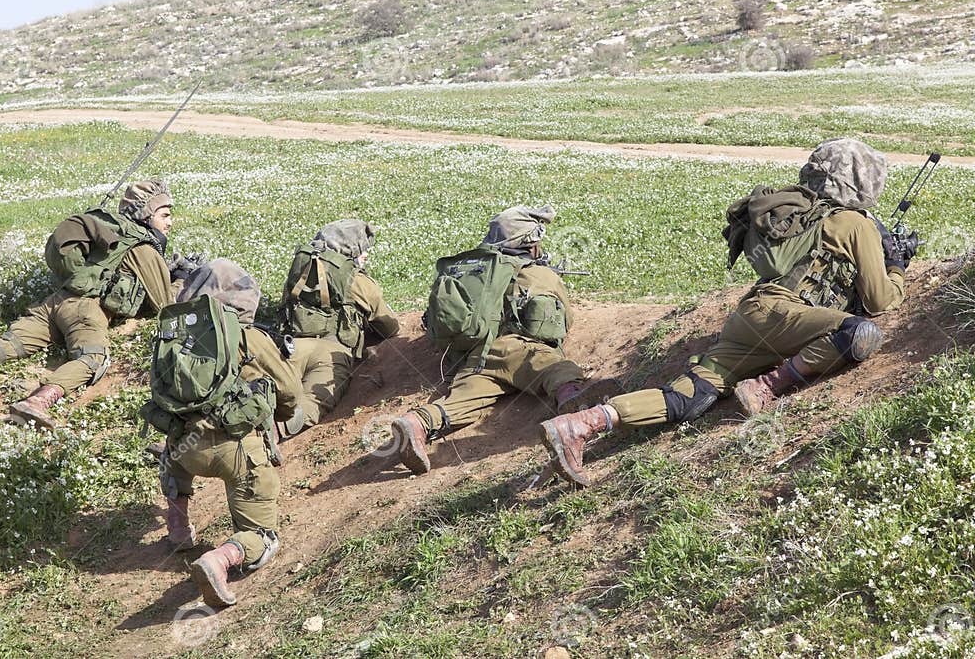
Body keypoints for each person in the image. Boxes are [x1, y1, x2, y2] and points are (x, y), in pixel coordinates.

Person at [539, 138, 914, 486]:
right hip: (786, 318)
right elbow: (879, 301)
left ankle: (580, 425)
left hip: (752, 317)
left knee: (689, 396)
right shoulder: (855, 222)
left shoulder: (799, 217)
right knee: (858, 334)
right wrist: (897, 265)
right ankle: (766, 386)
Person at [389, 205, 621, 475]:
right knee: (559, 369)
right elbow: (557, 326)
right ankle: (574, 400)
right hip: (519, 351)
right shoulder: (538, 274)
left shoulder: (475, 272)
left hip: (476, 356)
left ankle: (417, 422)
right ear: (529, 243)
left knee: (462, 402)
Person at [146, 259, 302, 608]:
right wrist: (281, 417)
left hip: (183, 449)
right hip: (237, 452)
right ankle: (221, 559)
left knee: (172, 453)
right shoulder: (249, 337)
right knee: (262, 535)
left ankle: (178, 524)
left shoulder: (174, 335)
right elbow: (290, 391)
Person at [0, 180, 178, 430]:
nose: (169, 222)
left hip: (55, 302)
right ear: (147, 215)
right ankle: (38, 401)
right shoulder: (143, 248)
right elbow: (164, 304)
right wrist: (180, 279)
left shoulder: (112, 231)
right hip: (85, 311)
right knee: (93, 358)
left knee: (8, 345)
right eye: (165, 215)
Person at [281, 219, 400, 435]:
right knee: (313, 403)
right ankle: (270, 433)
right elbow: (389, 327)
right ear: (352, 252)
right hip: (331, 355)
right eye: (363, 251)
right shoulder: (354, 278)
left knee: (269, 390)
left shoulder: (301, 263)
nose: (366, 255)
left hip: (290, 346)